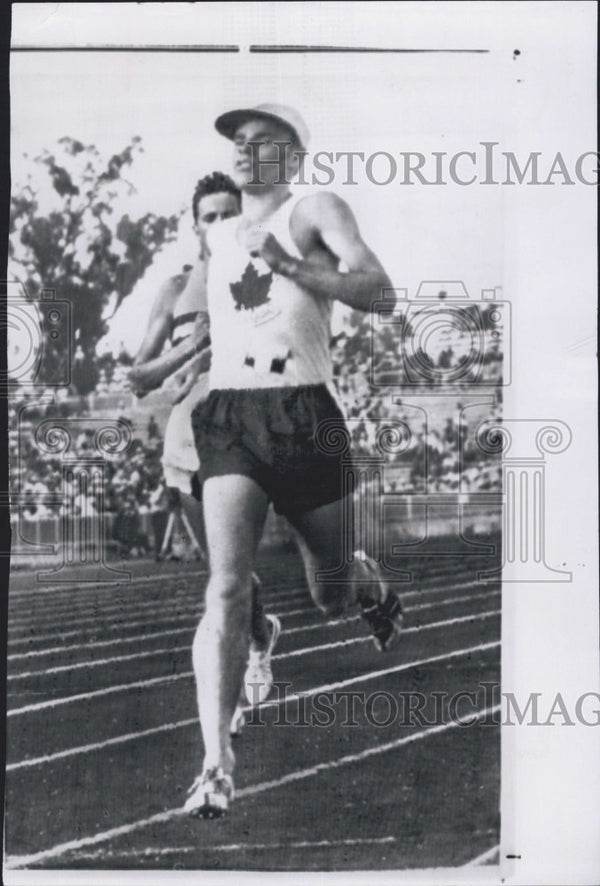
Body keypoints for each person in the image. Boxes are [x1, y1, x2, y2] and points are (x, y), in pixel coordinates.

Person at [179, 104, 404, 818]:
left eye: (262, 141)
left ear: (295, 153)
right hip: (234, 418)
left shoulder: (315, 209)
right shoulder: (214, 234)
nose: (246, 152)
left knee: (329, 594)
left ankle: (369, 591)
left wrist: (293, 266)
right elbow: (198, 321)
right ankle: (216, 764)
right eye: (238, 142)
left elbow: (380, 292)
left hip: (306, 416)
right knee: (225, 586)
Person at [129, 171, 281, 736]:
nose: (219, 224)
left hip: (242, 432)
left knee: (227, 579)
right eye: (209, 216)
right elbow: (140, 376)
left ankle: (233, 700)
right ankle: (262, 637)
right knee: (224, 567)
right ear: (195, 225)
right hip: (186, 440)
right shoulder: (175, 288)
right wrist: (191, 349)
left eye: (229, 214)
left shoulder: (262, 277)